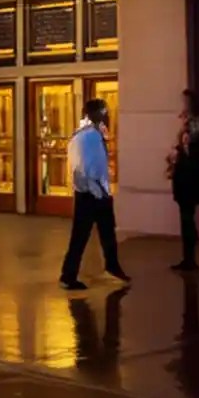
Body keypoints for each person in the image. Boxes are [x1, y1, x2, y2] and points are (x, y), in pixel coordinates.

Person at [60, 99, 130, 290]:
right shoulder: (87, 137)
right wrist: (99, 193)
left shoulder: (92, 135)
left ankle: (112, 265)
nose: (108, 116)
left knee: (106, 232)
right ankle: (68, 275)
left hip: (96, 193)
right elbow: (83, 169)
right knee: (81, 236)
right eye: (104, 112)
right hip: (91, 196)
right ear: (94, 114)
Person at [170, 90, 199, 270]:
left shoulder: (196, 124)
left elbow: (193, 149)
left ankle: (190, 257)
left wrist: (182, 150)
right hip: (186, 177)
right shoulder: (192, 123)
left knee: (187, 217)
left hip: (189, 178)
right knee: (186, 217)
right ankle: (188, 257)